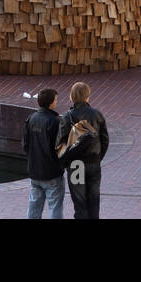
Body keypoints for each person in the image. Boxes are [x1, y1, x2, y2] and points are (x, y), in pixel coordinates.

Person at [58, 82, 108, 219]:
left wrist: (66, 163)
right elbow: (105, 140)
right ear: (87, 97)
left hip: (76, 165)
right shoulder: (97, 114)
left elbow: (60, 145)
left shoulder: (67, 117)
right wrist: (98, 157)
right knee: (94, 201)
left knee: (80, 204)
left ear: (71, 97)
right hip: (93, 163)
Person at [23, 88, 66, 219]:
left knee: (34, 207)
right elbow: (61, 149)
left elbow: (25, 145)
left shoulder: (31, 118)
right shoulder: (55, 121)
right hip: (52, 173)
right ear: (51, 102)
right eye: (56, 99)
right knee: (55, 207)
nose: (57, 102)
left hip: (34, 172)